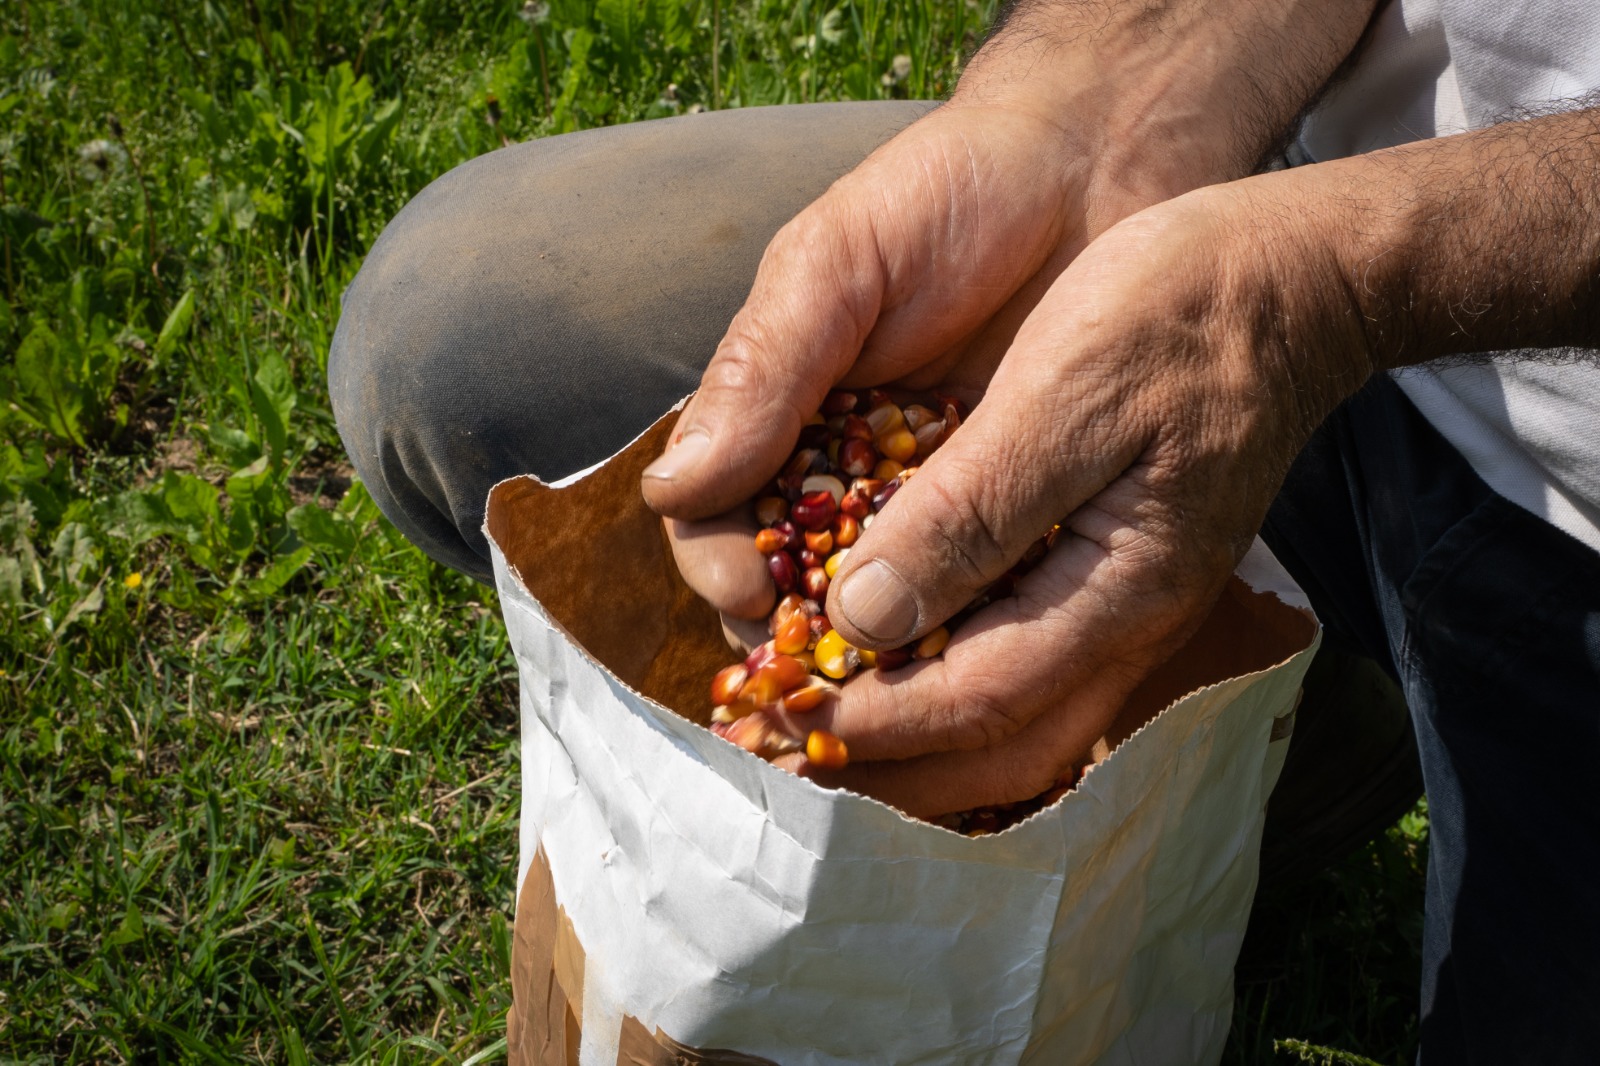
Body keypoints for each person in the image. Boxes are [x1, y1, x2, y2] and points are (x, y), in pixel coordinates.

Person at [329, 0, 1600, 1059]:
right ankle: (1302, 731)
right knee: (468, 334)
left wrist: (1325, 280)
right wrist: (1092, 109)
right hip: (1248, 219)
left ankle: (1283, 717)